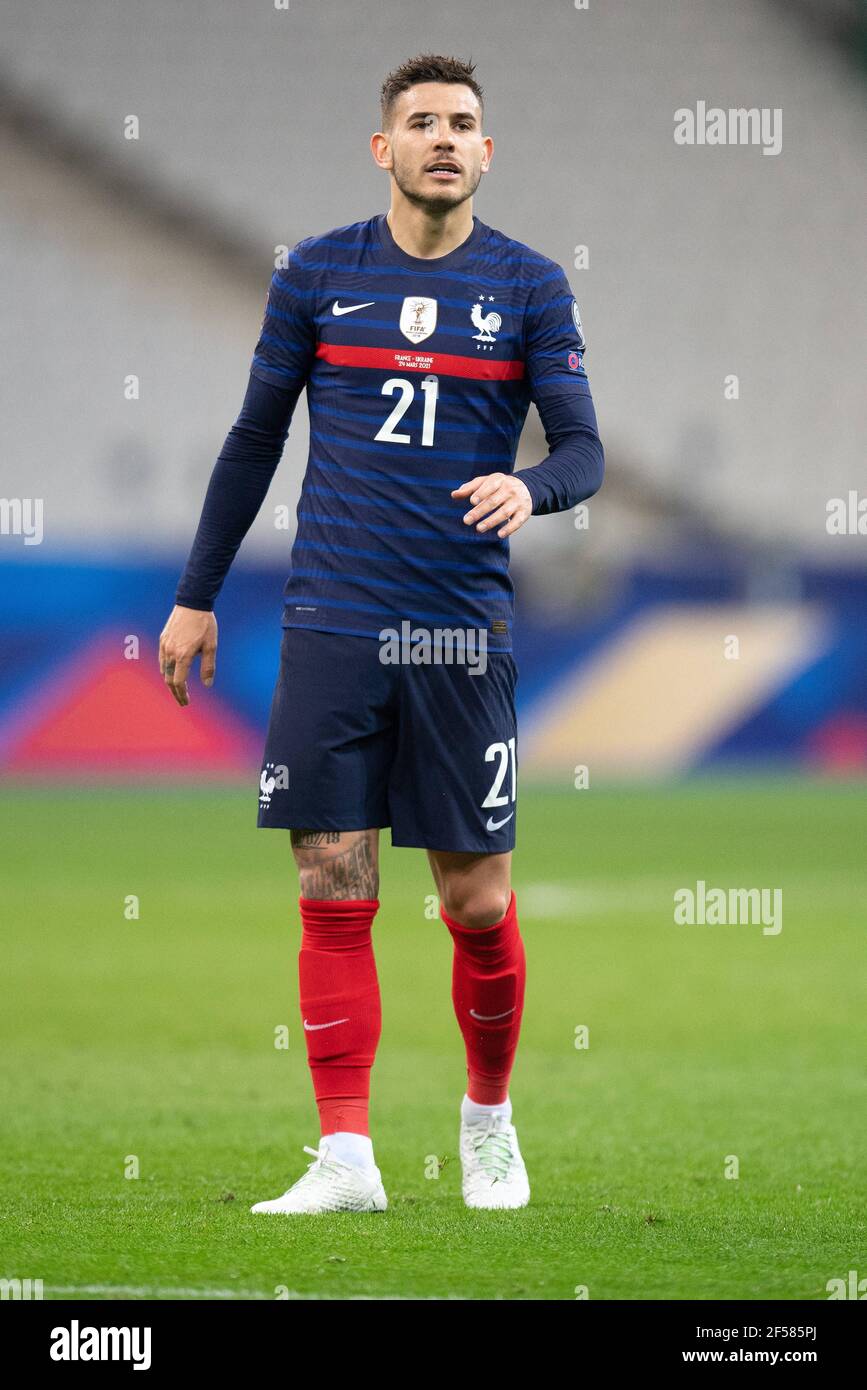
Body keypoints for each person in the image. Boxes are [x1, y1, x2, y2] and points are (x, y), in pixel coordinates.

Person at [159, 52, 604, 1214]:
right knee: (330, 879)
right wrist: (195, 592)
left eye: (463, 123)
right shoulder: (313, 273)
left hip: (461, 631)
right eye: (423, 122)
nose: (445, 138)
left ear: (487, 152)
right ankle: (346, 1155)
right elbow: (254, 438)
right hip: (334, 620)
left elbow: (583, 449)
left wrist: (535, 490)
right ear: (385, 148)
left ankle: (489, 1121)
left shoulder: (532, 286)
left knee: (475, 902)